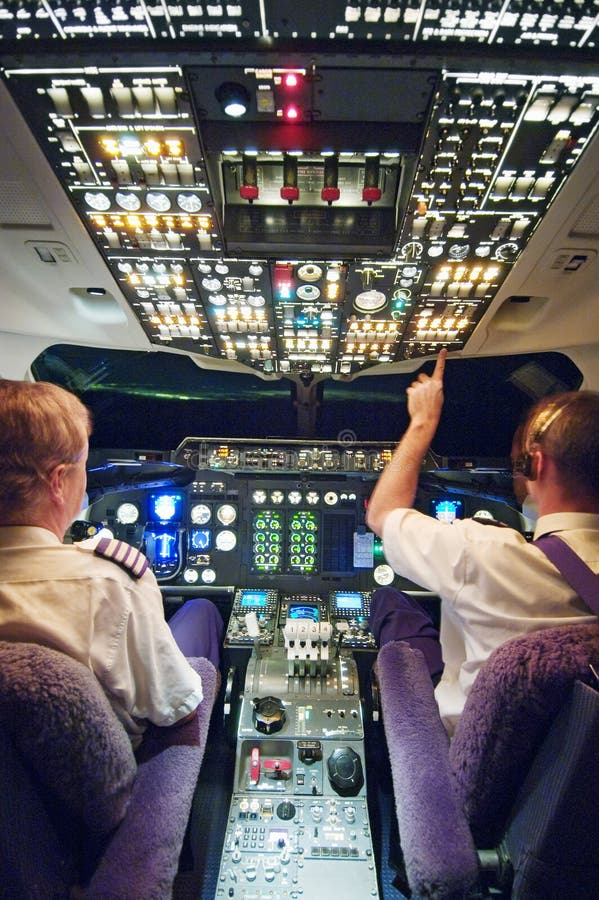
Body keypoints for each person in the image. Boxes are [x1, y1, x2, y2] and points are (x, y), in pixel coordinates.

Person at [366, 349, 599, 736]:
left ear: (536, 465)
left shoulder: (484, 552)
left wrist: (423, 422)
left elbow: (381, 512)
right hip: (564, 784)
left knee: (389, 601)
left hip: (463, 753)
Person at [0, 378, 223, 749]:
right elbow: (178, 709)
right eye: (83, 464)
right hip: (105, 779)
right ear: (58, 481)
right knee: (201, 610)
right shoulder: (108, 581)